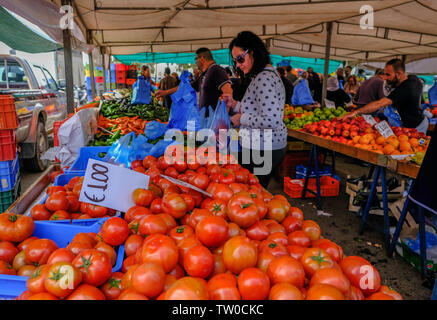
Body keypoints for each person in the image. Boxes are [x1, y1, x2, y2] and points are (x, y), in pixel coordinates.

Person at [221, 31, 287, 189]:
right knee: (255, 191)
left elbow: (271, 119)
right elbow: (257, 108)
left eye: (240, 58)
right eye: (235, 60)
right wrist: (235, 104)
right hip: (263, 146)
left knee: (253, 192)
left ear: (253, 52)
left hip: (263, 148)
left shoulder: (264, 78)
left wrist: (240, 118)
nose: (238, 64)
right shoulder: (263, 76)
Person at [341, 59, 428, 133]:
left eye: (388, 75)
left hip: (417, 126)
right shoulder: (413, 78)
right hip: (411, 121)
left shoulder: (405, 88)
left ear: (399, 74)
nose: (385, 78)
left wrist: (356, 112)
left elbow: (380, 103)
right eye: (384, 73)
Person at [156, 48, 232, 116]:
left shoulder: (216, 70)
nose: (195, 61)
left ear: (202, 58)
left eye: (196, 58)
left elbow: (229, 93)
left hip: (215, 119)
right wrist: (165, 92)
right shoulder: (204, 74)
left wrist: (223, 117)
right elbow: (186, 86)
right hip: (206, 119)